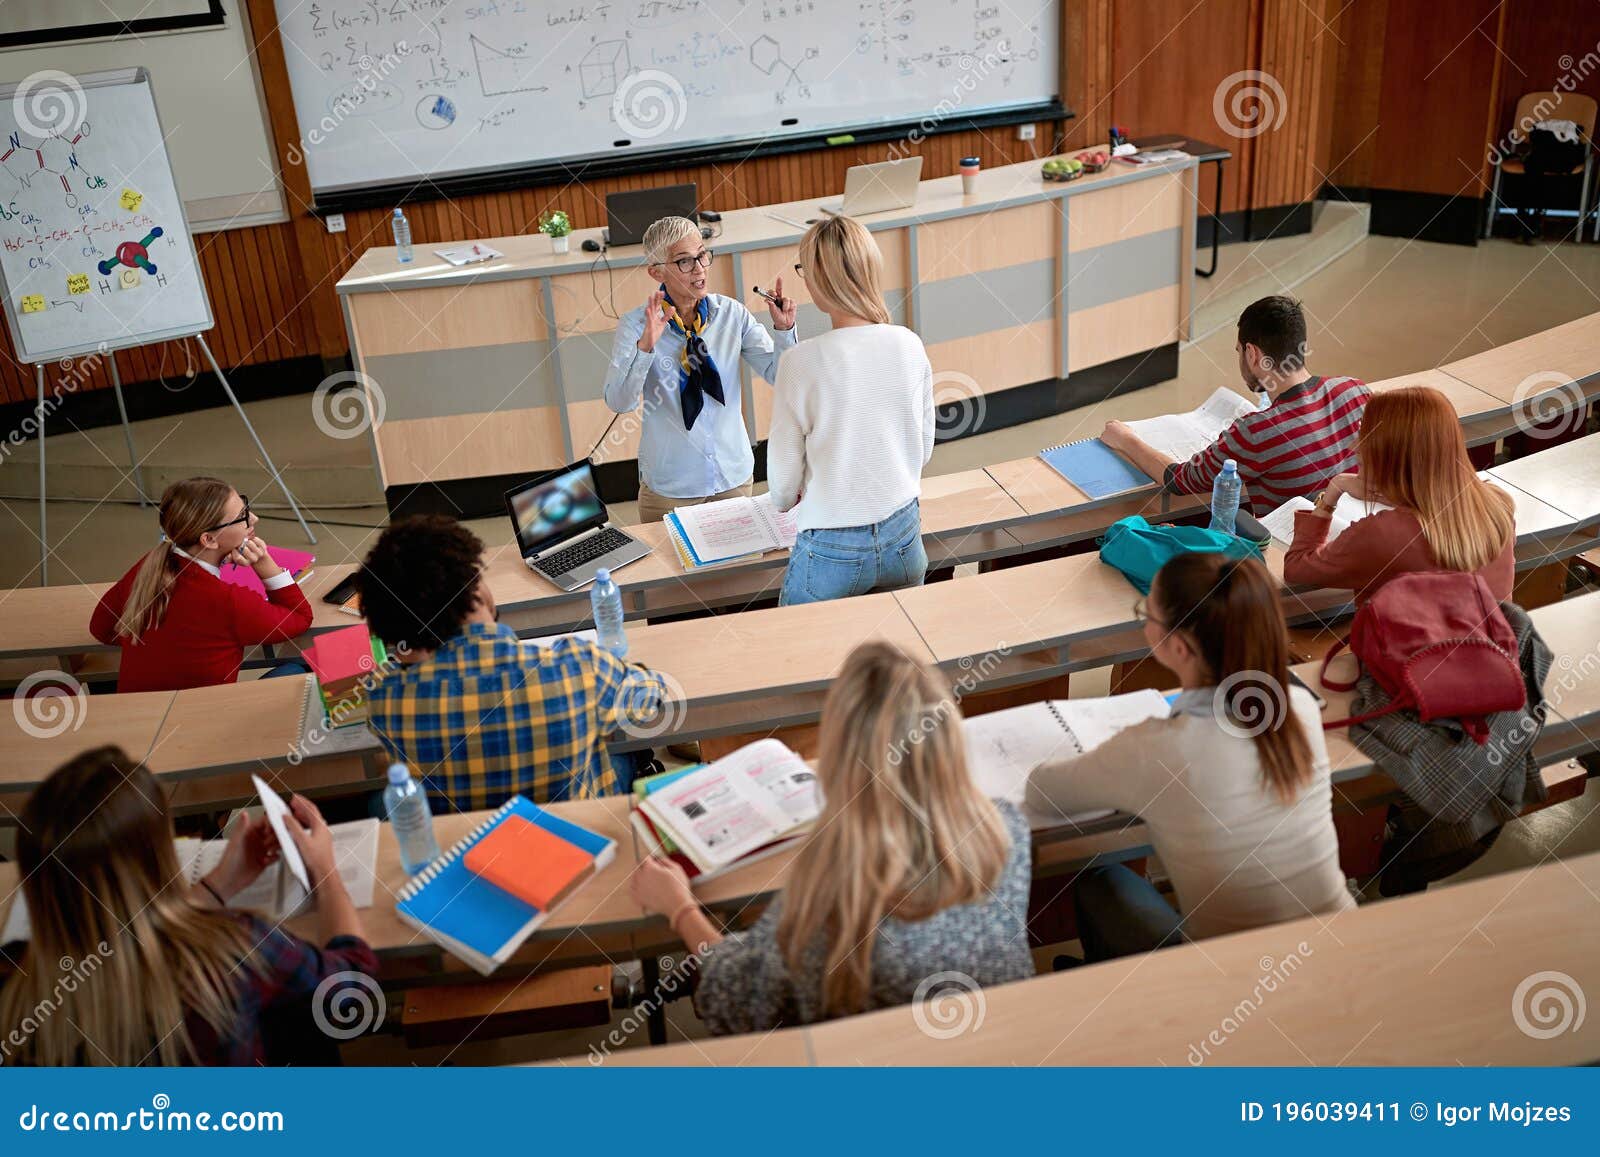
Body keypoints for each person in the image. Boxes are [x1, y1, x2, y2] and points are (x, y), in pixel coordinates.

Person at [628, 641, 1034, 1033]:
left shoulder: (830, 897)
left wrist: (680, 908)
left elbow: (736, 1003)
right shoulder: (1005, 830)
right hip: (1005, 1046)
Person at [1027, 554, 1353, 960]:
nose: (1144, 620)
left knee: (1103, 879)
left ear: (1177, 646)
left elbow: (1043, 791)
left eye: (1147, 612)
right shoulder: (1300, 708)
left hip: (1223, 977)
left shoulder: (1158, 750)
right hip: (1341, 948)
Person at [0, 746, 374, 1066]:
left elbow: (120, 937)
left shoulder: (14, 980)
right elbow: (353, 986)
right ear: (158, 859)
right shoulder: (231, 951)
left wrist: (218, 884)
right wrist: (325, 869)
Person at [358, 515, 668, 813]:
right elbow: (649, 697)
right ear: (477, 591)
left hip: (471, 850)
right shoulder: (578, 667)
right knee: (619, 751)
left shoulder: (386, 701)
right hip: (576, 836)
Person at [766, 215, 935, 606]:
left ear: (819, 280)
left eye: (804, 270)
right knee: (892, 659)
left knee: (796, 660)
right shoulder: (909, 344)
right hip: (905, 537)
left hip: (830, 548)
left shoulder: (798, 361)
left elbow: (782, 490)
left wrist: (798, 489)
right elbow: (922, 451)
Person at [603, 215, 798, 523]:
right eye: (683, 261)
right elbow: (619, 401)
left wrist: (784, 330)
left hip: (732, 478)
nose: (699, 269)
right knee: (672, 572)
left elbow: (782, 377)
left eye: (702, 256)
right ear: (656, 272)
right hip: (670, 489)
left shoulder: (732, 314)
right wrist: (646, 347)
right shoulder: (635, 324)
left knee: (738, 571)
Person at [1102, 295, 1369, 516]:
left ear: (1252, 353)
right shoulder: (1355, 390)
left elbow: (1181, 481)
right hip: (1353, 535)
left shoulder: (1257, 431)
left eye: (1239, 351)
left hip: (1292, 548)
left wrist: (1125, 439)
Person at [1284, 385, 1515, 604]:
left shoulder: (1380, 533)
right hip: (1494, 645)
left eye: (1366, 437)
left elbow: (1296, 568)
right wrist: (1401, 497)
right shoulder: (1497, 503)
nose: (1355, 447)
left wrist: (1333, 492)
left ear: (1391, 455)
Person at [89, 477, 314, 692]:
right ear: (209, 540)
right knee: (298, 668)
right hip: (209, 720)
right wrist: (265, 563)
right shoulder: (228, 600)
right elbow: (300, 618)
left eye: (246, 506)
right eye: (242, 516)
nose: (254, 518)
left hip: (142, 718)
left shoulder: (148, 567)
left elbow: (101, 629)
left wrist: (160, 646)